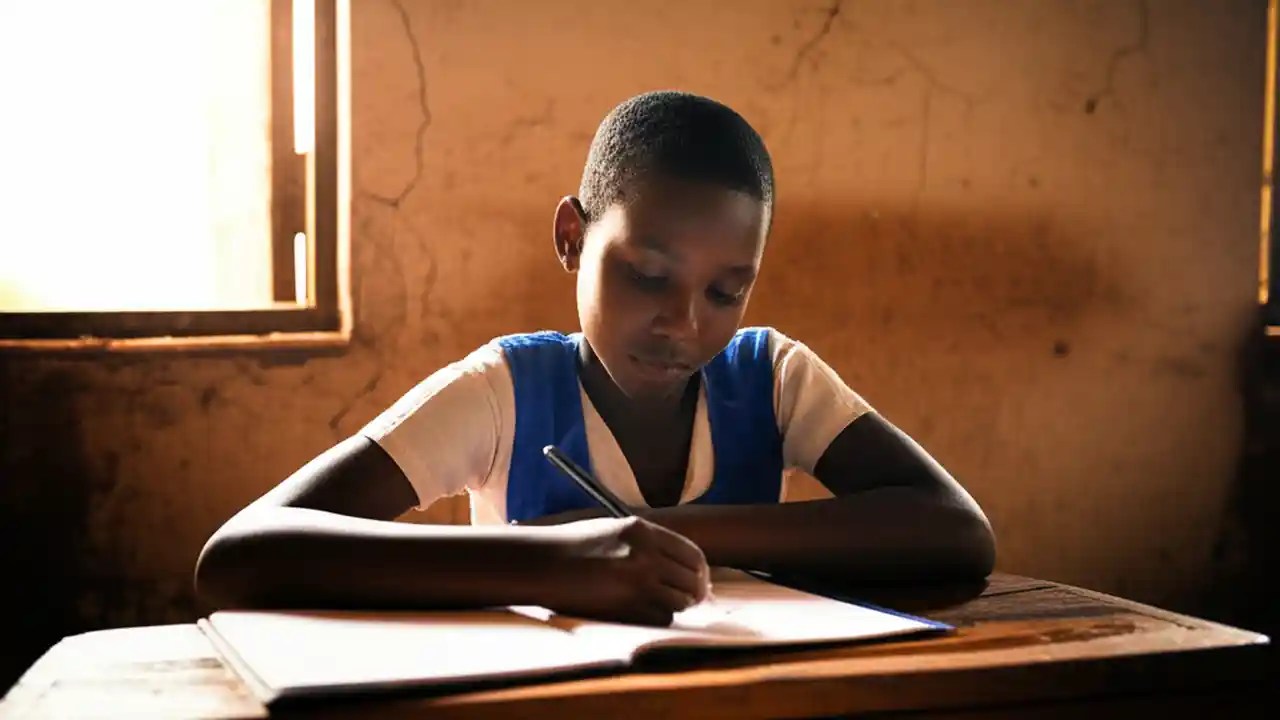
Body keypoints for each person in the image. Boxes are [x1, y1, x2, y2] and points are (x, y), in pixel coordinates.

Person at [196, 91, 995, 626]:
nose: (682, 323)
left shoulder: (772, 379)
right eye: (649, 276)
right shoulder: (505, 394)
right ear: (572, 240)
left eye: (727, 290)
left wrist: (658, 532)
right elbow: (241, 558)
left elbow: (956, 535)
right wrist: (547, 562)